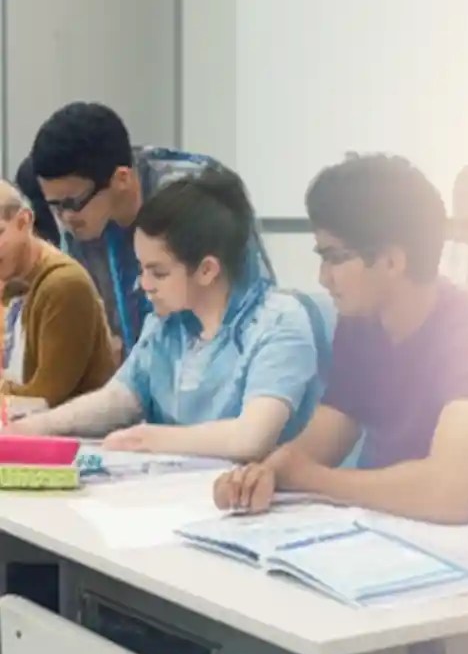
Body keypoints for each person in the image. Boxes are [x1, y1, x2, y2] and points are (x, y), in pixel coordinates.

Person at [210, 154, 468, 533]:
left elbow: (449, 494)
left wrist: (313, 480)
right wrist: (263, 475)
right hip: (378, 532)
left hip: (465, 556)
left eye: (335, 258)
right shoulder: (362, 324)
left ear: (391, 261)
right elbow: (322, 440)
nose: (323, 278)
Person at [11, 167, 320, 462]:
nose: (142, 285)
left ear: (206, 270)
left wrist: (150, 439)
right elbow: (121, 397)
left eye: (158, 273)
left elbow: (251, 438)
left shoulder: (278, 323)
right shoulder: (167, 324)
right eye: (141, 268)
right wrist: (35, 427)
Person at [26, 101, 273, 359]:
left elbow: (252, 306)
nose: (65, 217)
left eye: (71, 203)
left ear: (121, 179)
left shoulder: (193, 194)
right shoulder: (81, 213)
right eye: (55, 205)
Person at [0, 180, 114, 406]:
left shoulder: (63, 286)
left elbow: (41, 399)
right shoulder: (12, 280)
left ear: (24, 222)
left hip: (73, 437)